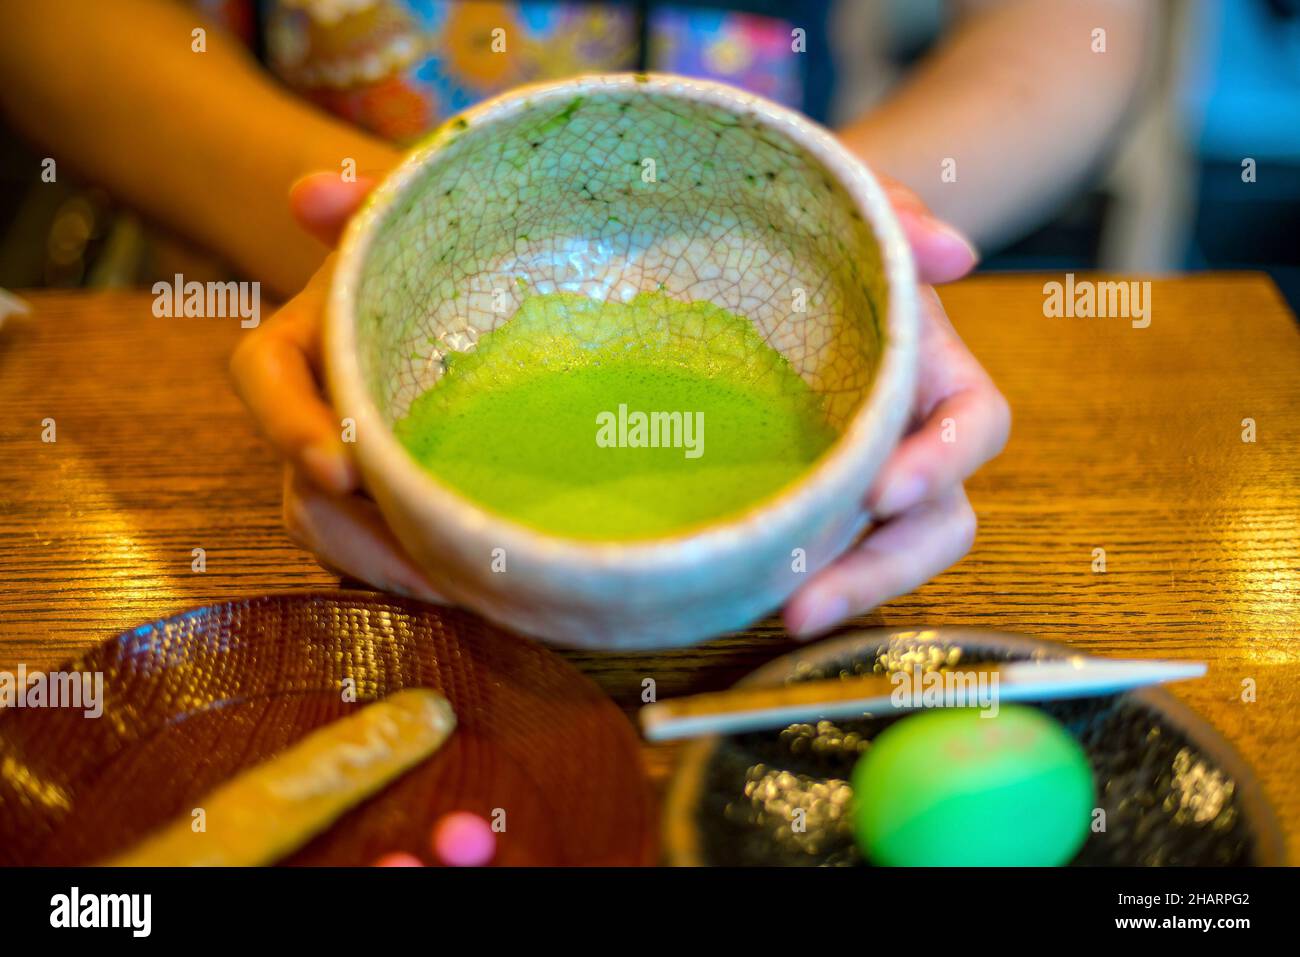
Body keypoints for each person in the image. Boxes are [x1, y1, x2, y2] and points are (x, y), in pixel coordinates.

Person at [0, 1, 1150, 637]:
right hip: (229, 269)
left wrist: (843, 227)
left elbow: (1069, 30)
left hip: (792, 186)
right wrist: (389, 239)